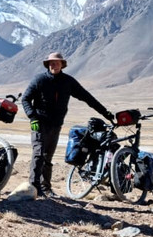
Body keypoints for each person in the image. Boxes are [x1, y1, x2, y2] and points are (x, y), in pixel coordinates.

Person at [20, 52, 113, 197]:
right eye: (51, 62)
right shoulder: (39, 80)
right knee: (38, 153)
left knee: (47, 157)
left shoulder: (68, 82)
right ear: (47, 64)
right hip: (39, 123)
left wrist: (106, 113)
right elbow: (25, 99)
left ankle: (45, 188)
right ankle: (34, 186)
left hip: (56, 125)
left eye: (57, 62)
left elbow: (87, 97)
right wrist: (33, 117)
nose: (53, 65)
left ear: (62, 64)